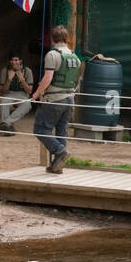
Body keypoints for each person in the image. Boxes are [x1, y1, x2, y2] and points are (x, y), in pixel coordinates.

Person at [31, 25, 81, 174]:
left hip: (54, 99)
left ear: (52, 39)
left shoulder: (52, 55)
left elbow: (48, 78)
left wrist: (37, 93)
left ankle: (60, 151)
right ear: (66, 38)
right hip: (69, 99)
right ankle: (56, 166)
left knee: (40, 129)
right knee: (61, 131)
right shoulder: (75, 56)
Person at [0, 53, 35, 135]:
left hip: (22, 94)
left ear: (20, 60)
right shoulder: (5, 70)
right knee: (3, 101)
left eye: (16, 60)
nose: (14, 62)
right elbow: (3, 91)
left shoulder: (27, 71)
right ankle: (7, 129)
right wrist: (9, 80)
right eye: (12, 60)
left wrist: (22, 80)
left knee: (27, 104)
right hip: (9, 94)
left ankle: (6, 123)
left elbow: (29, 91)